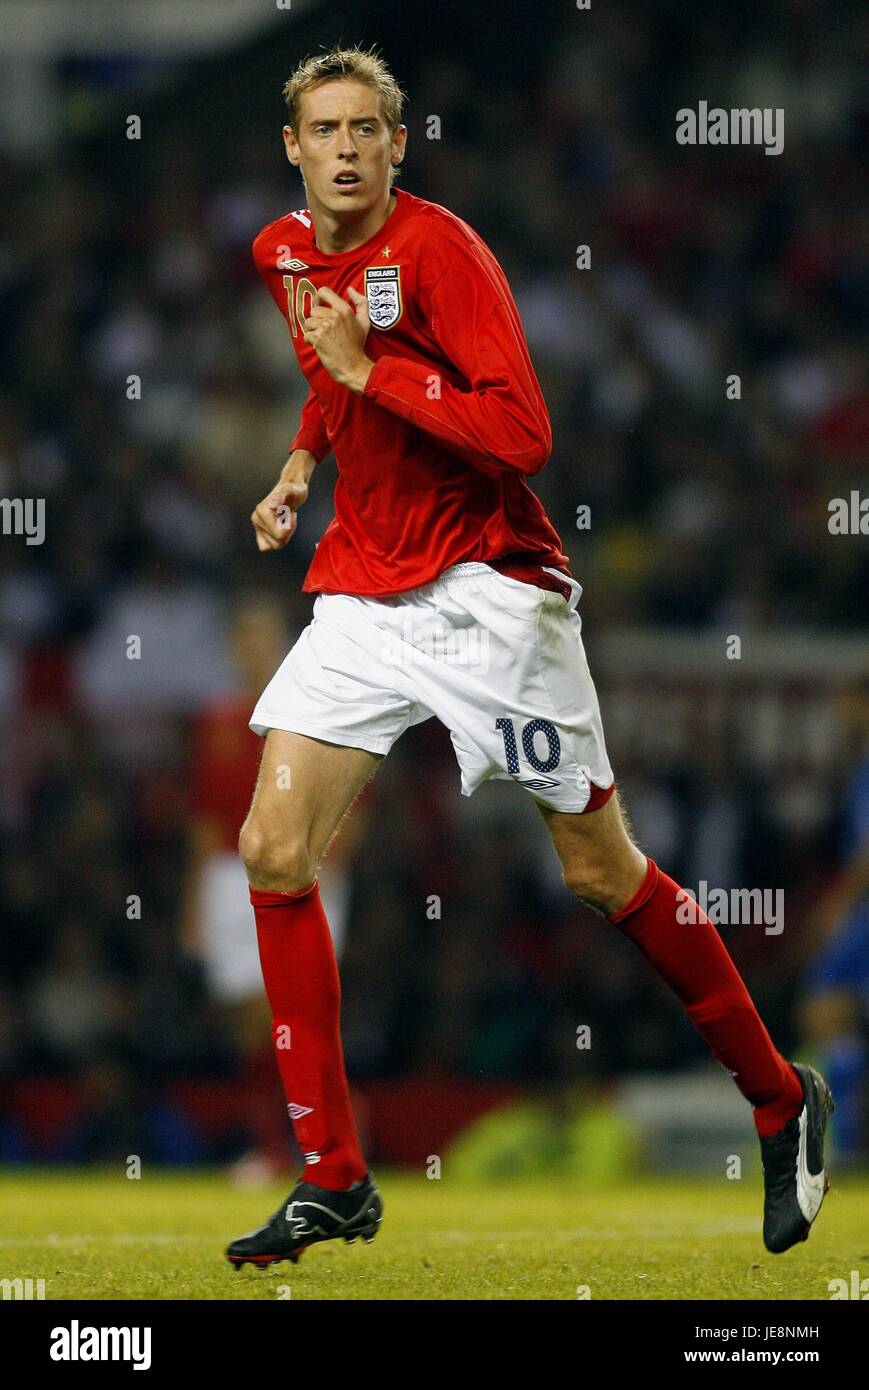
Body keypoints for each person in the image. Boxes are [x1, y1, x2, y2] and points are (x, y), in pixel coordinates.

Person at [226, 45, 832, 1268]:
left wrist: (373, 371)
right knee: (271, 847)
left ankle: (778, 1097)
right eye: (322, 129)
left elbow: (523, 432)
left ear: (399, 145)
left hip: (486, 589)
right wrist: (301, 462)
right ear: (291, 148)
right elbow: (325, 378)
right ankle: (335, 1176)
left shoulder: (443, 255)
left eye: (365, 129)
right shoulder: (281, 252)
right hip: (360, 588)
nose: (344, 147)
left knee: (598, 872)